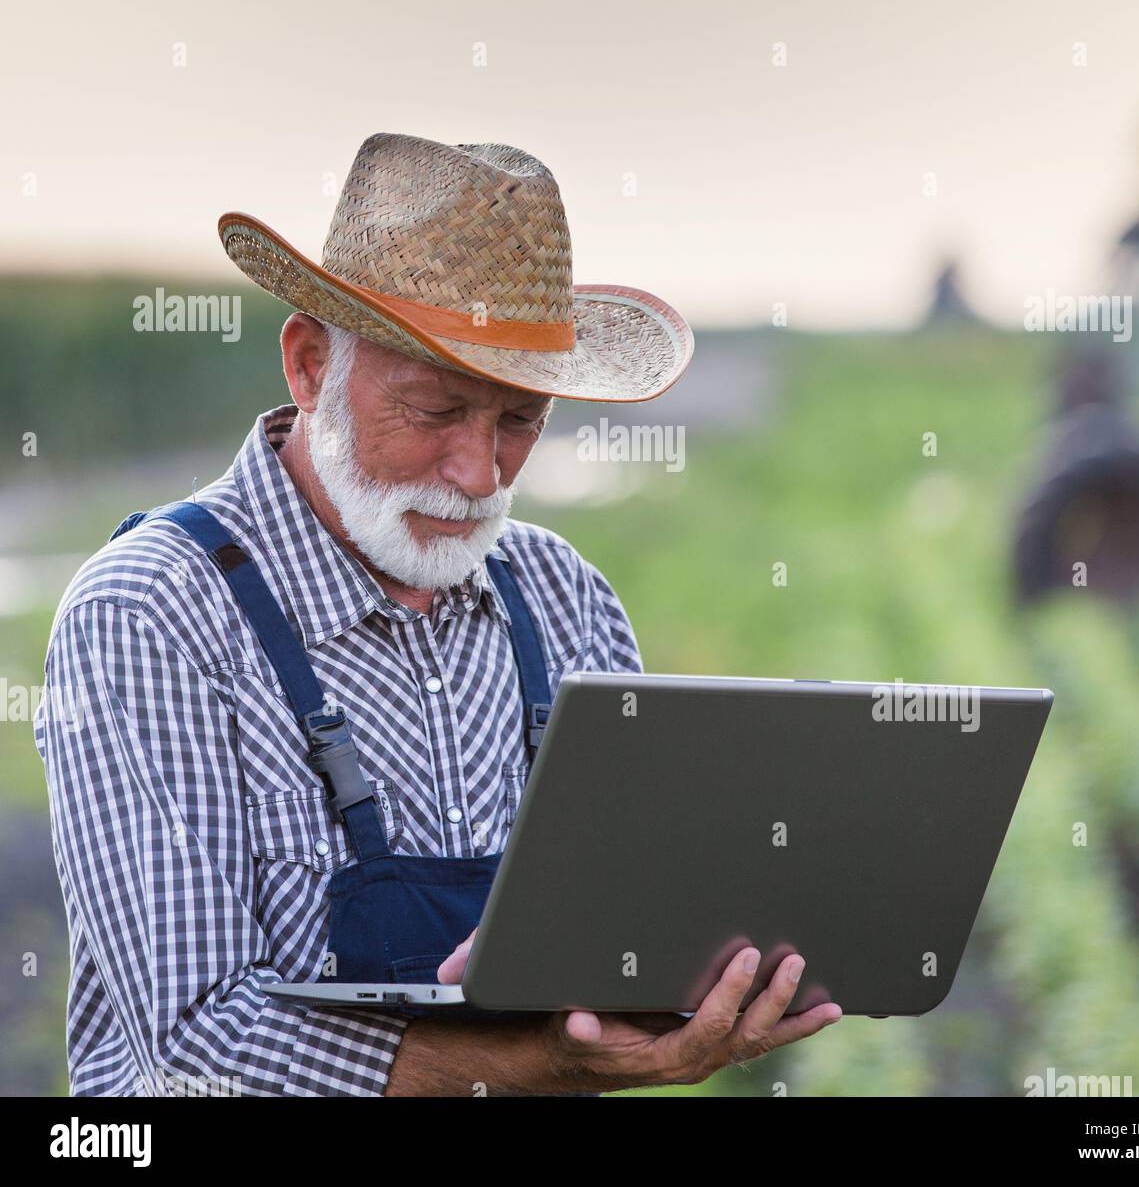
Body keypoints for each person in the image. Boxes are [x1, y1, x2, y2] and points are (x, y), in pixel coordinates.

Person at [34, 133, 842, 1097]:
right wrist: (535, 1063)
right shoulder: (154, 613)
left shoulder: (564, 597)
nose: (479, 474)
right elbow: (197, 1048)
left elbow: (621, 944)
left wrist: (688, 995)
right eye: (432, 412)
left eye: (518, 422)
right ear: (307, 363)